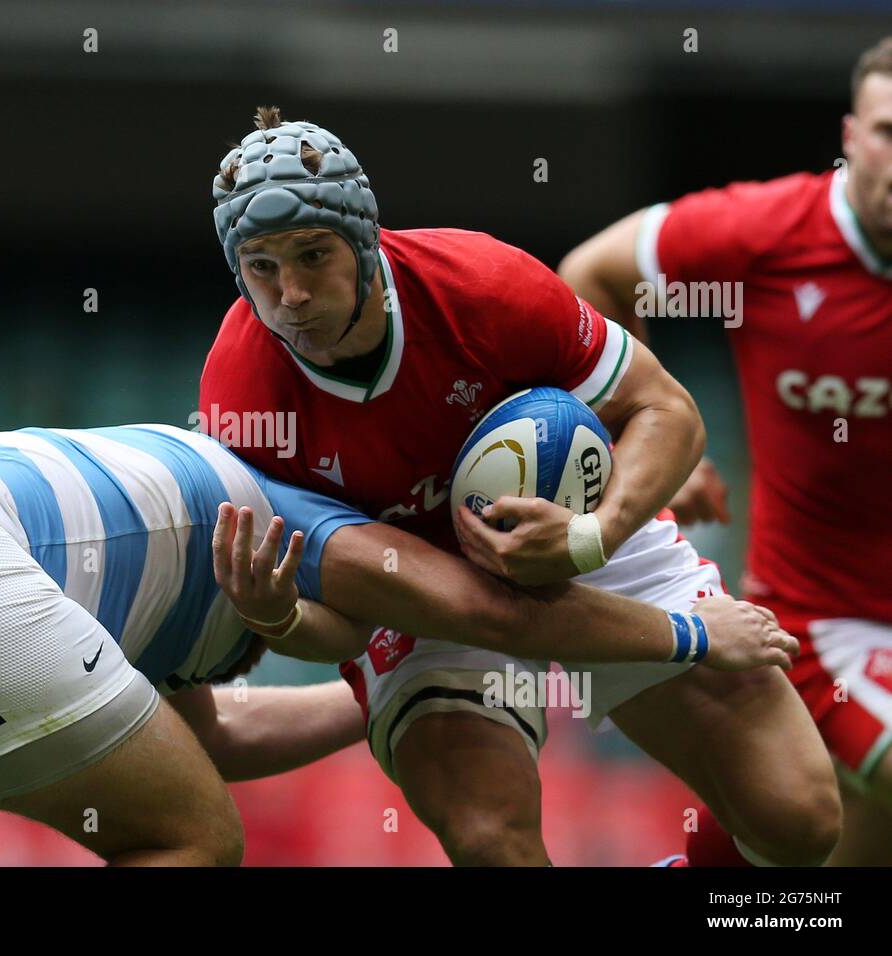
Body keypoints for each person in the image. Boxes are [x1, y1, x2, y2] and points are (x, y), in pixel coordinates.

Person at [0, 424, 791, 866]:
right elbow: (488, 611)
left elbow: (212, 730)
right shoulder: (303, 513)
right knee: (188, 839)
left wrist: (365, 704)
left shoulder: (163, 564)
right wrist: (687, 627)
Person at [200, 106, 840, 865]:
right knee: (489, 839)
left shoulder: (481, 285)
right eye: (262, 268)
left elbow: (665, 409)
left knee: (798, 819)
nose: (292, 294)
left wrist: (590, 533)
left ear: (365, 242)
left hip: (574, 529)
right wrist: (278, 620)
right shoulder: (241, 407)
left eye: (313, 255)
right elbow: (346, 627)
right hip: (421, 600)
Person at [557, 36, 892, 865]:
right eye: (891, 132)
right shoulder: (768, 232)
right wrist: (650, 443)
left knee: (825, 848)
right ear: (851, 136)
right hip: (824, 622)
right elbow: (589, 278)